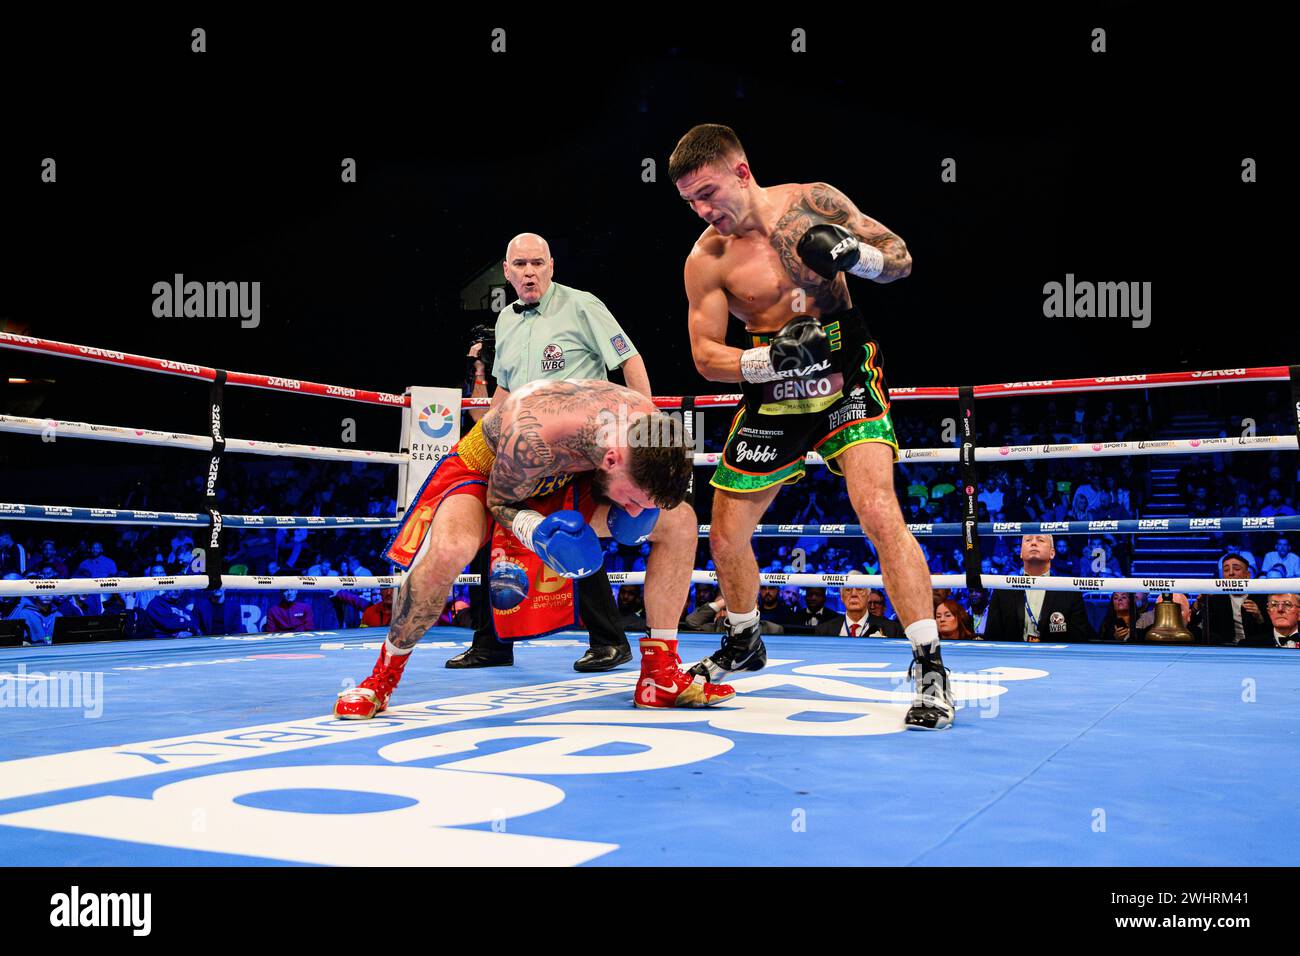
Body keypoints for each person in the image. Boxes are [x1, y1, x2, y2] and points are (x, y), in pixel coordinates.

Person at [671, 122, 952, 729]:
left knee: (876, 509)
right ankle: (744, 640)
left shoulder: (813, 203)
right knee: (724, 531)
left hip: (844, 368)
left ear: (742, 172)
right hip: (773, 380)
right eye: (691, 200)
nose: (703, 209)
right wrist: (767, 358)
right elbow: (704, 356)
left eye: (709, 192)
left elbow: (901, 260)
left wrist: (858, 257)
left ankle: (929, 663)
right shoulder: (706, 259)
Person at [336, 379, 721, 718]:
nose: (633, 512)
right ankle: (381, 678)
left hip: (571, 476)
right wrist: (534, 531)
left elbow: (645, 494)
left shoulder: (648, 429)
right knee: (451, 549)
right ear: (611, 459)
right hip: (493, 476)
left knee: (681, 522)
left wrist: (638, 505)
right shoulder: (532, 432)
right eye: (634, 500)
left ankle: (660, 675)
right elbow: (499, 503)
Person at [450, 231, 652, 674]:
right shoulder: (505, 320)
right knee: (494, 532)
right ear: (506, 271)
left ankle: (609, 640)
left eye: (537, 263)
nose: (529, 272)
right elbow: (505, 388)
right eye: (520, 264)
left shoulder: (583, 305)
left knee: (575, 536)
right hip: (523, 451)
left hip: (580, 447)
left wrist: (645, 429)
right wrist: (481, 440)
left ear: (552, 266)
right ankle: (492, 643)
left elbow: (628, 359)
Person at [983, 535, 1095, 642]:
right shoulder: (1003, 590)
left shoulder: (1069, 592)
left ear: (1052, 553)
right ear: (1021, 553)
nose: (1033, 543)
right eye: (1028, 540)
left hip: (1055, 659)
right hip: (1013, 659)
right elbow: (992, 637)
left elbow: (1079, 639)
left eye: (1040, 540)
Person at [1191, 552, 1271, 645]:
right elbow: (1194, 626)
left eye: (1236, 569)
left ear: (1247, 575)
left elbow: (1270, 632)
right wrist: (1197, 606)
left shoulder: (1261, 597)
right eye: (1226, 570)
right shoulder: (1215, 597)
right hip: (1223, 647)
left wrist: (1259, 617)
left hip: (1253, 646)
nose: (1231, 573)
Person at [816, 584, 904, 637]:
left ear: (868, 596)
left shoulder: (892, 630)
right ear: (842, 597)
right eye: (848, 590)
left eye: (859, 589)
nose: (854, 594)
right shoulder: (823, 631)